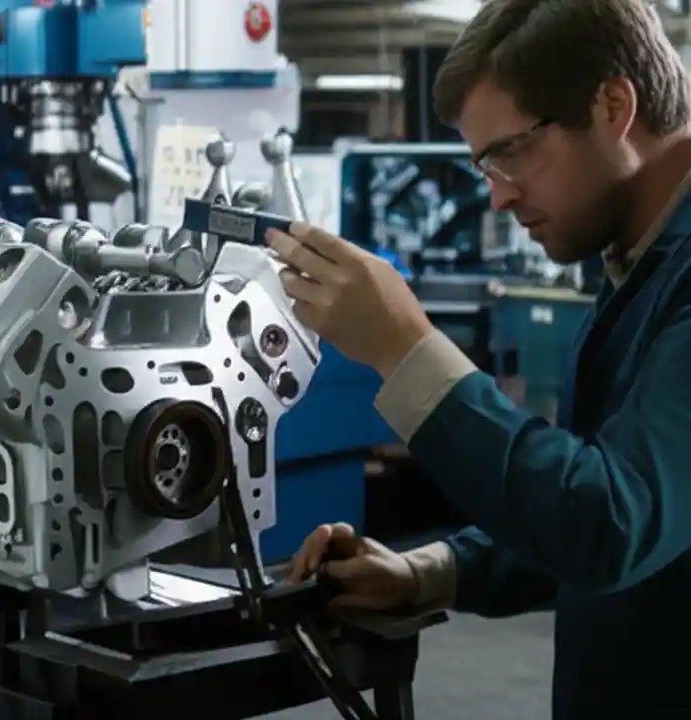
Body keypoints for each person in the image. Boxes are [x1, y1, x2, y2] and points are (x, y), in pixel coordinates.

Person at [269, 1, 691, 718]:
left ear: (614, 106)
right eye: (483, 164)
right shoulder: (634, 260)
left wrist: (406, 349)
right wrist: (428, 570)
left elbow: (611, 523)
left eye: (512, 151)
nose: (497, 196)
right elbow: (586, 500)